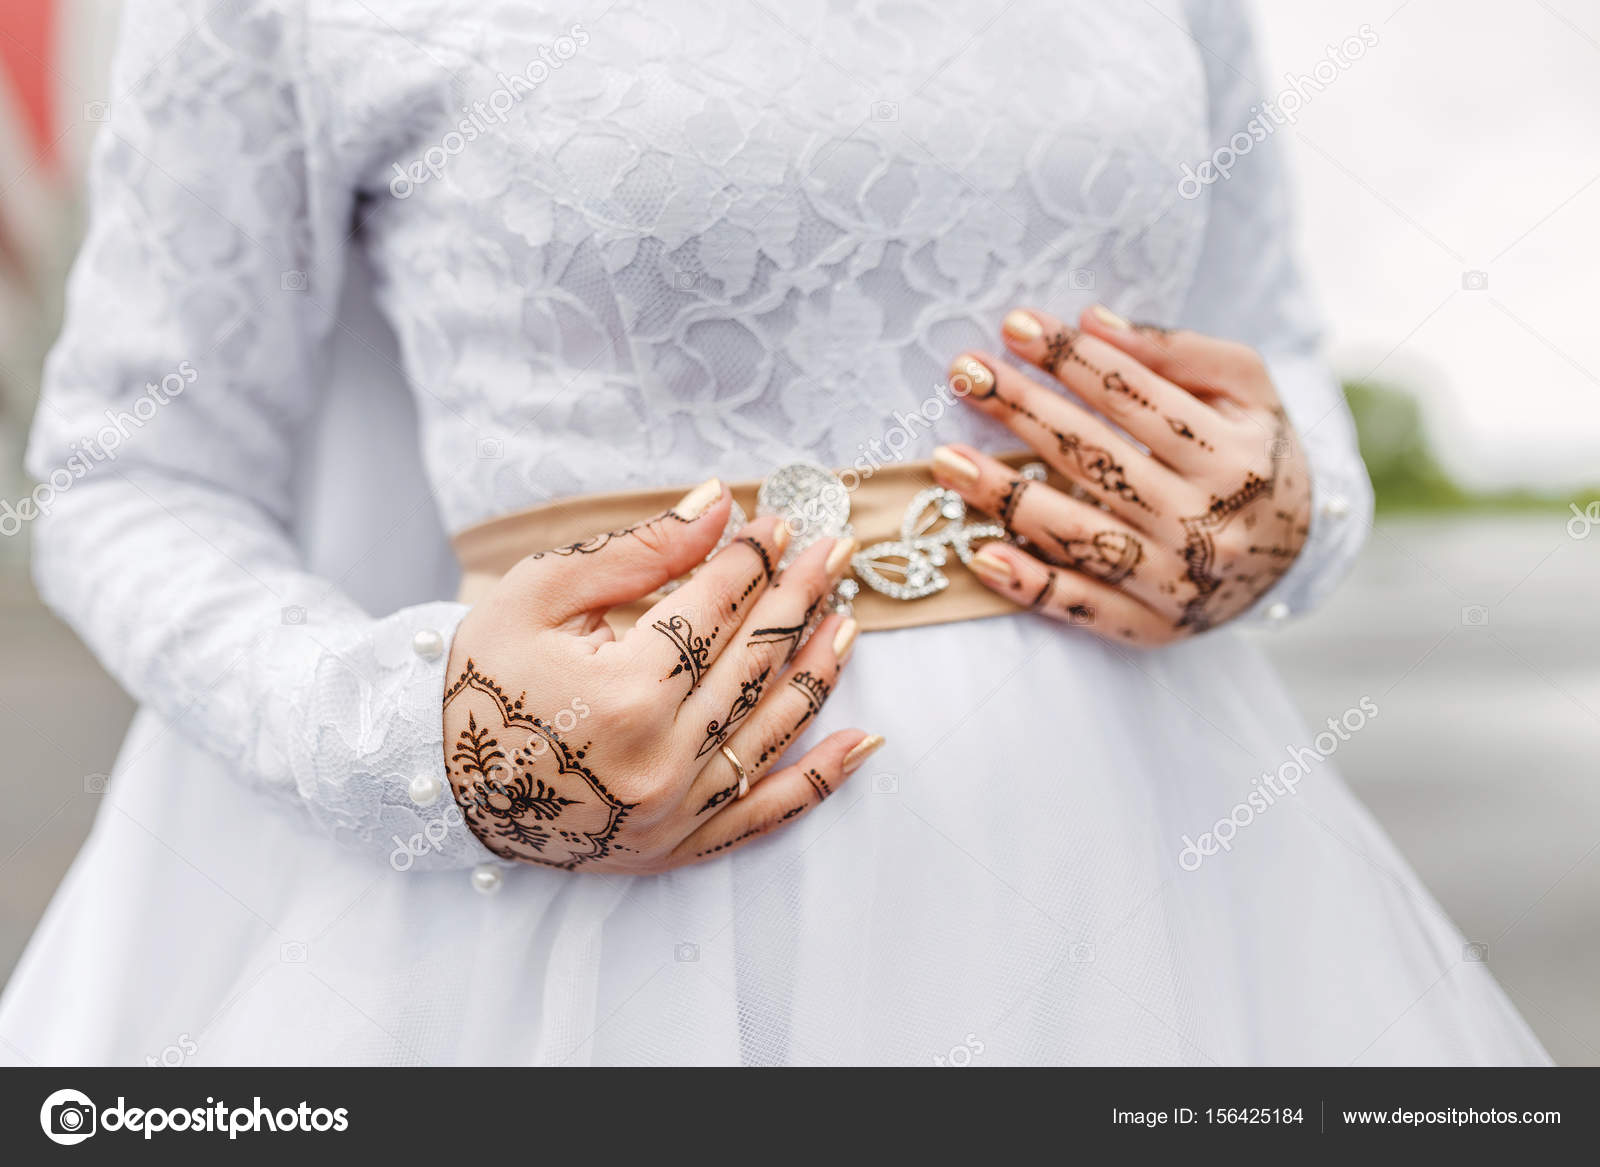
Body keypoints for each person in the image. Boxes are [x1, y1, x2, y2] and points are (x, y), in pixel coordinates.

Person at [0, 0, 1544, 1064]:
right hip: (588, 920)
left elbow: (1271, 357)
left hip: (1176, 875)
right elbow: (125, 471)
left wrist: (1287, 507)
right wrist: (421, 741)